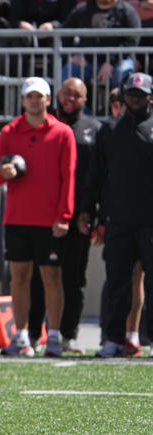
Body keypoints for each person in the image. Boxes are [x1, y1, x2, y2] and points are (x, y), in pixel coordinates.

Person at [0, 76, 76, 357]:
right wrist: (4, 172)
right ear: (23, 100)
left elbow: (69, 176)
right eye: (30, 96)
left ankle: (53, 335)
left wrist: (64, 215)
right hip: (17, 218)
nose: (35, 101)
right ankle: (22, 335)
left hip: (49, 219)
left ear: (49, 100)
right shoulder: (9, 132)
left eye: (40, 96)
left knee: (52, 276)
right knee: (19, 277)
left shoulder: (63, 133)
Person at [79, 72, 153, 357]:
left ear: (150, 97)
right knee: (117, 282)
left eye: (140, 95)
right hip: (118, 220)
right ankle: (113, 338)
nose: (134, 100)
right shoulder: (109, 130)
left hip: (150, 222)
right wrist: (87, 210)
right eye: (130, 95)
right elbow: (95, 177)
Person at [27, 78, 100, 355]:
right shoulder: (44, 124)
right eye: (66, 93)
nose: (70, 98)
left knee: (74, 278)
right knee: (38, 276)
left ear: (85, 98)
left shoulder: (94, 129)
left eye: (77, 95)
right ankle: (34, 333)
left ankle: (69, 334)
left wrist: (89, 212)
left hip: (78, 215)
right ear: (57, 95)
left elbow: (97, 177)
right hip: (45, 214)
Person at [61, 0, 140, 88]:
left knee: (122, 72)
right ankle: (79, 101)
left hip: (119, 60)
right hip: (87, 60)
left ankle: (118, 101)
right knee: (69, 72)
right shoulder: (82, 9)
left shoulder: (126, 10)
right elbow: (65, 33)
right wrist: (73, 55)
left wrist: (111, 62)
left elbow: (132, 40)